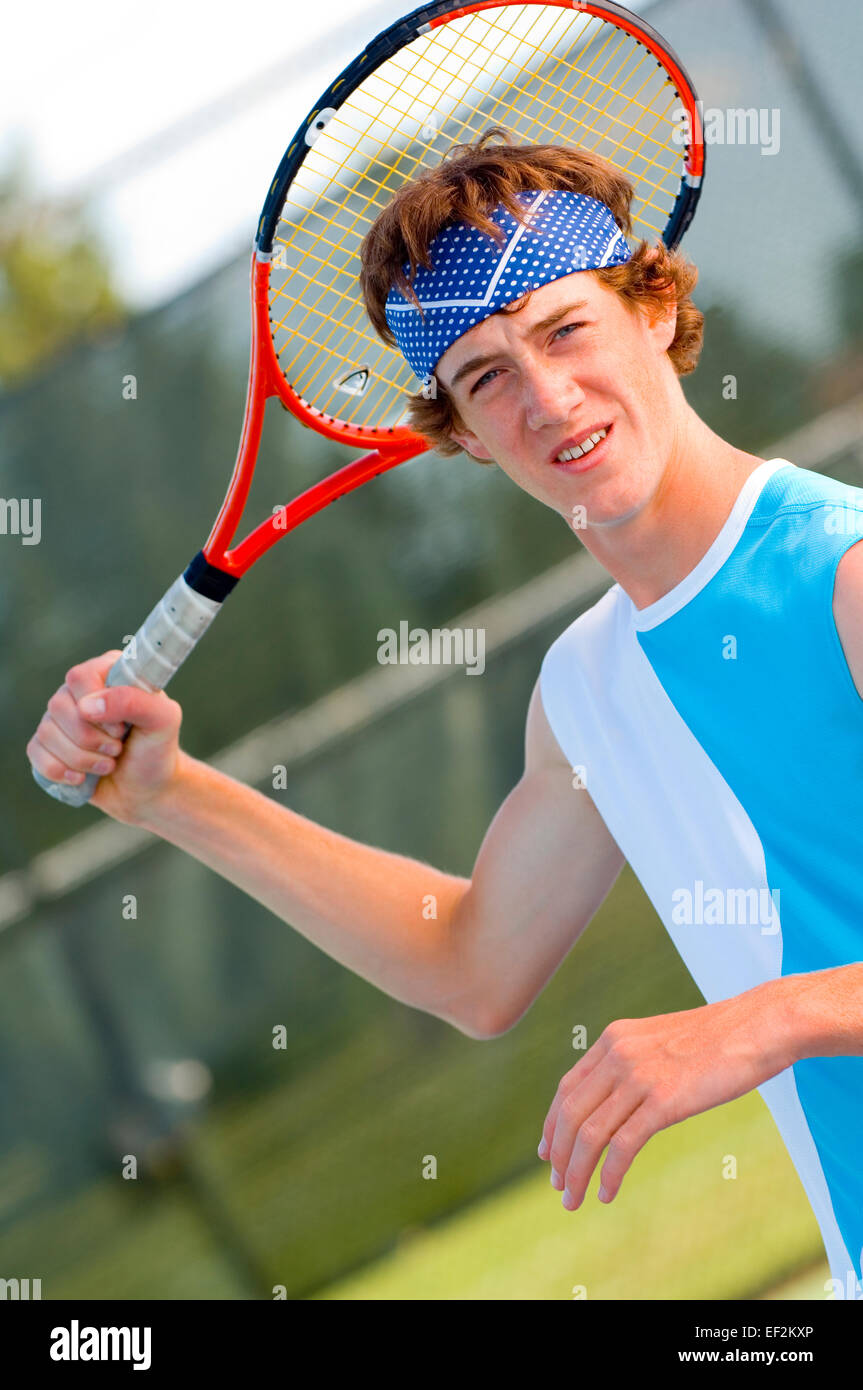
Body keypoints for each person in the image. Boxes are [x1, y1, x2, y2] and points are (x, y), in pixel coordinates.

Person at [27, 130, 863, 1297]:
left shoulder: (843, 572)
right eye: (484, 375)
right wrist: (172, 793)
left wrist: (759, 1020)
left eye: (564, 329)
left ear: (654, 310)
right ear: (461, 433)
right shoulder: (587, 692)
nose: (546, 397)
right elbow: (470, 964)